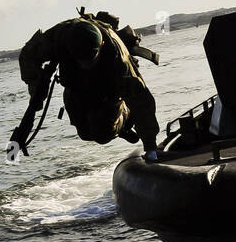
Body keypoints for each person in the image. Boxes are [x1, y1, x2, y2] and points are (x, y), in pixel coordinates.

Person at [16, 14, 160, 160]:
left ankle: (124, 117)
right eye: (81, 60)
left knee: (103, 134)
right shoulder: (57, 38)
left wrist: (150, 147)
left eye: (91, 58)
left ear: (102, 45)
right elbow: (27, 57)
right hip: (77, 84)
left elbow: (141, 101)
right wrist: (37, 91)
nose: (86, 64)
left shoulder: (119, 59)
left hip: (110, 86)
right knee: (84, 133)